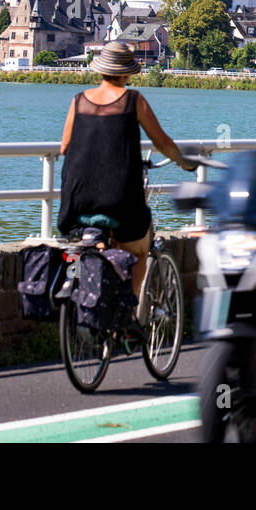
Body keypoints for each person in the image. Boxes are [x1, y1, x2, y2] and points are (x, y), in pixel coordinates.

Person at [57, 42, 196, 316]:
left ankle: (74, 281)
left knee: (85, 242)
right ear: (127, 73)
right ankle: (129, 313)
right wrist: (185, 163)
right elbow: (162, 142)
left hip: (76, 198)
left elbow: (64, 148)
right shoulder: (133, 100)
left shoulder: (78, 100)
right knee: (139, 252)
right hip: (120, 196)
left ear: (101, 70)